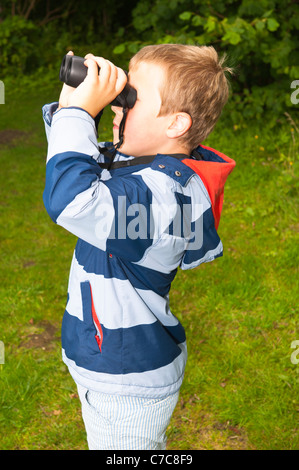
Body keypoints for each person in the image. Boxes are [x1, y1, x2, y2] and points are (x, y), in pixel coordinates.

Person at [42, 44, 236, 450]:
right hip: (109, 359)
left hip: (126, 378)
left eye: (131, 96)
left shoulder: (167, 197)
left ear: (176, 124)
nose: (118, 102)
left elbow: (71, 197)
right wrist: (73, 107)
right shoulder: (144, 167)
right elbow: (77, 161)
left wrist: (78, 116)